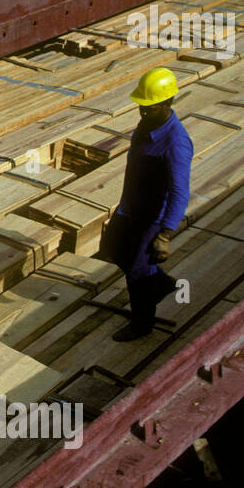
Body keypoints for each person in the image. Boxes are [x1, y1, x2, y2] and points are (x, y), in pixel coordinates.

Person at [98, 68, 193, 342]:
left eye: (148, 108)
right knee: (113, 250)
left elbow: (179, 192)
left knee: (138, 272)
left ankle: (142, 324)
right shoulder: (146, 125)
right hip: (129, 208)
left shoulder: (176, 143)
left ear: (166, 104)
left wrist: (164, 235)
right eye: (141, 107)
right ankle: (161, 283)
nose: (142, 113)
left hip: (150, 218)